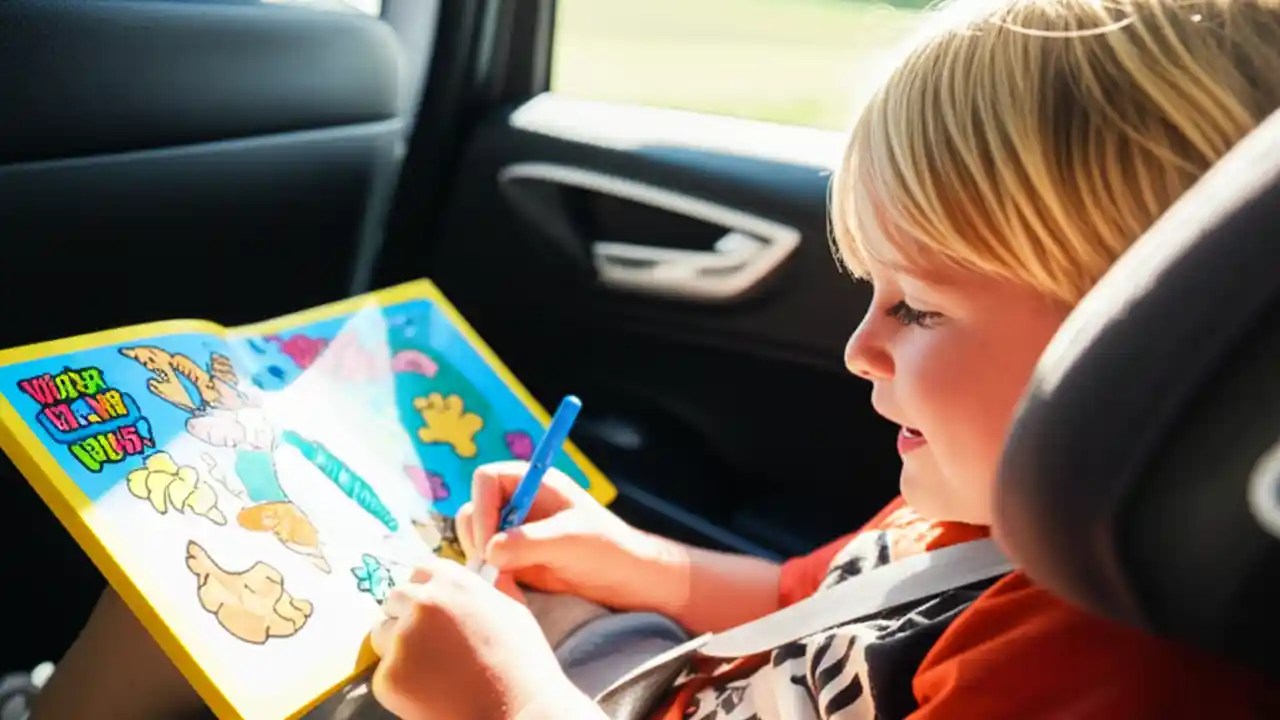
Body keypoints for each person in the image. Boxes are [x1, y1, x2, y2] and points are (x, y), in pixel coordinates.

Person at [24, 1, 1280, 718]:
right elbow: (802, 602)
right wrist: (649, 568)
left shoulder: (1095, 670)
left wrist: (508, 701)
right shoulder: (973, 513)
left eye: (921, 311)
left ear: (1146, 345)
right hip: (649, 683)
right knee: (199, 571)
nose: (857, 349)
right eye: (873, 294)